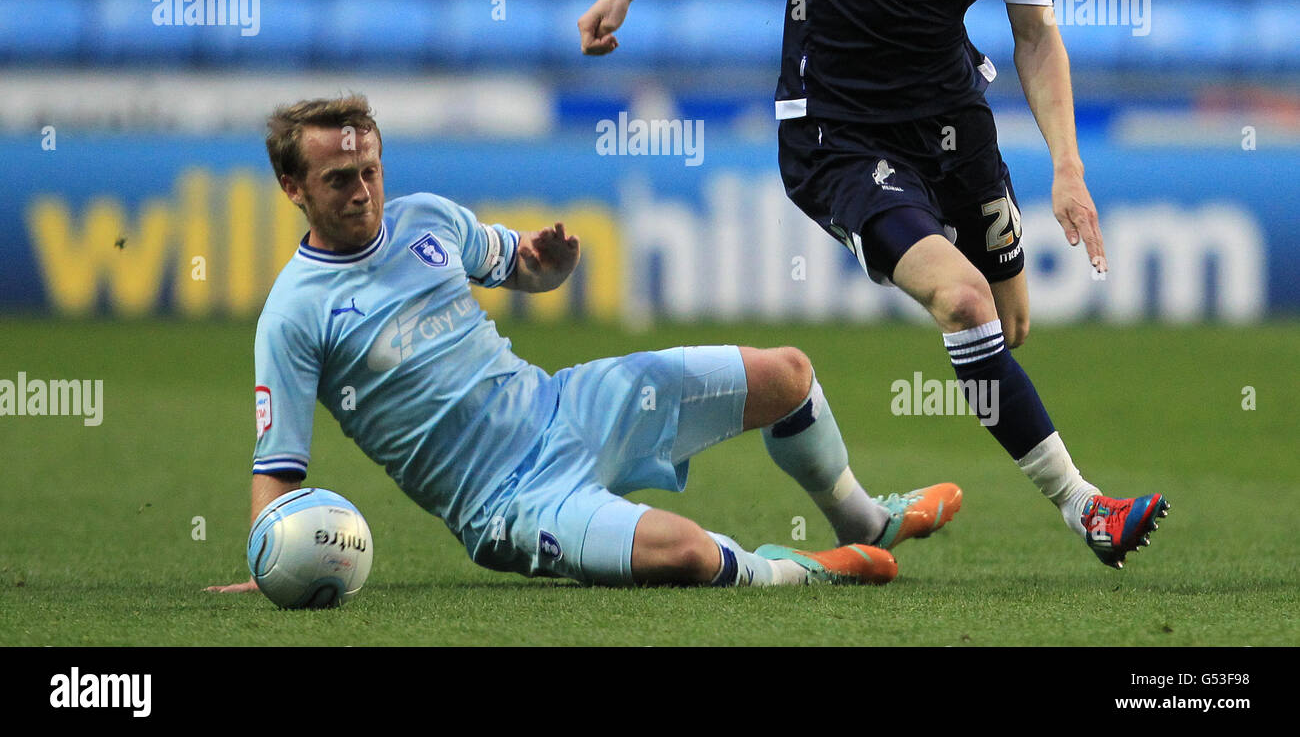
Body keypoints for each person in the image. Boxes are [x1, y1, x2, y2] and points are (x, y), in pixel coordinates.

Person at [578, 0, 1166, 568]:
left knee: (1007, 324)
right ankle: (1088, 509)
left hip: (952, 118)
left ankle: (860, 510)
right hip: (836, 126)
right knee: (963, 300)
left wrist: (1069, 167)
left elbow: (1037, 36)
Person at [207, 95, 961, 595]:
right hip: (507, 500)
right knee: (688, 555)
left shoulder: (427, 219)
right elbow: (279, 464)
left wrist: (546, 266)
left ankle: (861, 518)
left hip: (568, 404)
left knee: (788, 376)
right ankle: (794, 571)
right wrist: (268, 555)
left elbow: (518, 265)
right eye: (340, 179)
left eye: (370, 170)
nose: (364, 192)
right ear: (290, 185)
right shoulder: (294, 315)